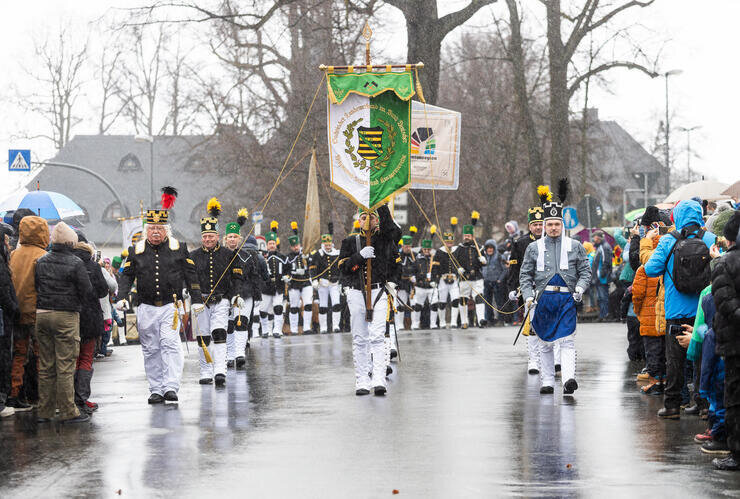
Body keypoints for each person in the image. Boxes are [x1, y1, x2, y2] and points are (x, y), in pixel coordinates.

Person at [116, 187, 203, 403]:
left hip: (170, 307)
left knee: (170, 344)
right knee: (151, 348)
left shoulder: (178, 248)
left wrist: (197, 299)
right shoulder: (136, 250)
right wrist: (122, 296)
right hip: (146, 306)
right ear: (146, 230)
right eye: (152, 228)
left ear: (167, 230)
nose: (156, 232)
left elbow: (190, 274)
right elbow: (126, 276)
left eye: (160, 228)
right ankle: (155, 388)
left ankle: (171, 386)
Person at [645, 199, 716, 419]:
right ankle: (704, 405)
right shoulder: (710, 238)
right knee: (702, 358)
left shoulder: (668, 240)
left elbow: (650, 269)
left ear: (677, 217)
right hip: (704, 310)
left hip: (676, 310)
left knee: (674, 360)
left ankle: (673, 406)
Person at [520, 179, 591, 395]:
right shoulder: (533, 247)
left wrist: (579, 288)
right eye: (549, 224)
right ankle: (548, 381)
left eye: (556, 224)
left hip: (567, 299)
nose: (553, 228)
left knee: (567, 340)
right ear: (545, 225)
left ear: (562, 225)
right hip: (543, 300)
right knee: (545, 342)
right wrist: (528, 296)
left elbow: (585, 272)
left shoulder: (575, 246)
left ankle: (569, 378)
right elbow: (525, 275)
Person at [338, 204, 401, 396]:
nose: (367, 221)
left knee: (377, 336)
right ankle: (362, 379)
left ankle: (379, 379)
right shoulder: (350, 242)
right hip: (357, 292)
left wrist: (380, 203)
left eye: (372, 217)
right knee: (360, 338)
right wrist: (359, 257)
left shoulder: (384, 239)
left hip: (378, 291)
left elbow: (393, 230)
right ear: (359, 220)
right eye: (364, 217)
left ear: (377, 220)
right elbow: (343, 268)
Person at [35, 222, 93, 423]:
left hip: (41, 314)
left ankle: (45, 411)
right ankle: (69, 411)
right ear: (71, 242)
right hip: (66, 315)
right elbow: (86, 291)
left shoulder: (41, 261)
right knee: (66, 364)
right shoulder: (76, 263)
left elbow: (36, 286)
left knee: (45, 365)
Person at [189, 198, 243, 386]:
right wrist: (193, 298)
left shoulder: (228, 255)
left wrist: (235, 295)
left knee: (219, 333)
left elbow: (236, 278)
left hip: (221, 301)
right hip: (200, 301)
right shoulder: (193, 256)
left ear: (217, 236)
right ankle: (205, 370)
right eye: (205, 236)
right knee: (203, 337)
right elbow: (190, 279)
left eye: (211, 236)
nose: (208, 239)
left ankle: (220, 370)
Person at [7, 215, 49, 411]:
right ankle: (43, 396)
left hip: (17, 312)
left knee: (19, 354)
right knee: (42, 355)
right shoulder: (42, 255)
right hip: (37, 312)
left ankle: (15, 394)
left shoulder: (14, 254)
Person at [711, 210, 740, 469]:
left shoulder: (723, 263)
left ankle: (737, 455)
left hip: (734, 344)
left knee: (734, 398)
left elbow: (725, 303)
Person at [70, 233, 108, 414]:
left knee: (71, 358)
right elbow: (102, 291)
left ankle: (70, 400)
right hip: (91, 316)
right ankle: (82, 399)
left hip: (71, 315)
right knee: (85, 358)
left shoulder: (66, 261)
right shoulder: (93, 265)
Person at [508, 199, 546, 374]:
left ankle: (548, 358)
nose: (538, 227)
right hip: (528, 289)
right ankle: (533, 360)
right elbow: (515, 268)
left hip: (548, 289)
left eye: (540, 224)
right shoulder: (520, 243)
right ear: (530, 226)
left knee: (547, 325)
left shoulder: (552, 241)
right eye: (535, 224)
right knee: (532, 326)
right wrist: (512, 287)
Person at [223, 209, 259, 370]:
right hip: (226, 295)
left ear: (239, 239)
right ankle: (230, 355)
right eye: (230, 237)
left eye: (235, 237)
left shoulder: (247, 256)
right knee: (229, 325)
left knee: (242, 323)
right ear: (225, 239)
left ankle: (239, 354)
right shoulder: (221, 255)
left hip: (245, 295)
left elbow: (254, 276)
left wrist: (256, 295)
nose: (232, 239)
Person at [454, 212, 487, 328]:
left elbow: (484, 263)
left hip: (477, 277)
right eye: (465, 235)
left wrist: (484, 260)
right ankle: (464, 321)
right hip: (465, 278)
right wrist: (457, 269)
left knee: (479, 297)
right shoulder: (459, 248)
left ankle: (481, 320)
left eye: (469, 235)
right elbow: (453, 262)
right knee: (463, 299)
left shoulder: (479, 247)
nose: (466, 237)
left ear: (472, 236)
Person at [0, 222, 20, 418]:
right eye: (6, 241)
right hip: (4, 320)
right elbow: (5, 293)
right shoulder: (1, 264)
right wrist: (15, 309)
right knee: (4, 357)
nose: (9, 245)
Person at [309, 223, 342, 333]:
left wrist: (341, 282)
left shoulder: (337, 253)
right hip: (322, 283)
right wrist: (314, 280)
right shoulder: (317, 255)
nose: (328, 247)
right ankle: (323, 327)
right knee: (323, 306)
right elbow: (312, 268)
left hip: (334, 283)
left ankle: (336, 326)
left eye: (329, 245)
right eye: (326, 245)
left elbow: (340, 268)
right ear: (323, 245)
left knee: (336, 304)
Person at [432, 218, 463, 329]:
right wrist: (434, 279)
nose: (449, 244)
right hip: (442, 279)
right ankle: (442, 322)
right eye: (447, 242)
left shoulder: (456, 250)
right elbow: (435, 267)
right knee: (442, 302)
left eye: (451, 242)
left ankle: (454, 322)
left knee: (455, 300)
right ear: (444, 242)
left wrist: (460, 269)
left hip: (454, 279)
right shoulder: (439, 252)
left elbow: (460, 261)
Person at [285, 222, 314, 334]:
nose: (296, 247)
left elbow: (313, 266)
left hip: (306, 282)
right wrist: (288, 275)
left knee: (307, 304)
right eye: (293, 246)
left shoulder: (306, 253)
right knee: (294, 306)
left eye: (297, 245)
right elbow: (286, 270)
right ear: (291, 247)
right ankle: (293, 329)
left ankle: (307, 327)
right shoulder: (288, 257)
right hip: (294, 284)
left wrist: (308, 259)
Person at [260, 222, 288, 338]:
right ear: (266, 245)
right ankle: (265, 330)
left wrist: (287, 276)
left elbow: (288, 270)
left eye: (273, 243)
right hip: (266, 287)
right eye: (270, 243)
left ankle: (277, 330)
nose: (272, 245)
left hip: (279, 286)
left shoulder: (282, 257)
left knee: (278, 308)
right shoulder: (262, 256)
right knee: (263, 310)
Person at [411, 230, 438, 330]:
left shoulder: (434, 259)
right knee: (418, 306)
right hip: (420, 286)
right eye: (425, 249)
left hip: (431, 286)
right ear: (422, 249)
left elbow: (437, 271)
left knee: (434, 304)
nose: (426, 251)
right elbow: (413, 270)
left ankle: (433, 324)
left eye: (428, 249)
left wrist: (435, 280)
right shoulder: (417, 259)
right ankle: (415, 324)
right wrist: (413, 277)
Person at [395, 230, 418, 332]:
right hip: (401, 283)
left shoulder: (415, 255)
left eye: (409, 246)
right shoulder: (398, 256)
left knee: (413, 304)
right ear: (402, 246)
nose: (407, 248)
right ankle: (399, 325)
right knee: (401, 305)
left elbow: (419, 268)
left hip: (412, 284)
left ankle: (414, 324)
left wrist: (416, 277)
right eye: (405, 246)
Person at [481, 239, 506, 326]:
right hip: (487, 282)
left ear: (494, 248)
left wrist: (500, 279)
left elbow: (505, 269)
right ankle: (489, 319)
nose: (489, 250)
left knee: (499, 302)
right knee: (487, 302)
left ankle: (501, 320)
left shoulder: (500, 257)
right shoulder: (483, 257)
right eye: (488, 248)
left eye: (491, 248)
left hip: (496, 282)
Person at [591, 230, 612, 321]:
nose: (593, 240)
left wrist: (601, 275)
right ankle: (602, 315)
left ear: (599, 238)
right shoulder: (600, 247)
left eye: (594, 237)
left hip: (602, 278)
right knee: (600, 297)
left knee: (603, 297)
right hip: (599, 277)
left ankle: (604, 315)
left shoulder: (604, 247)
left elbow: (605, 262)